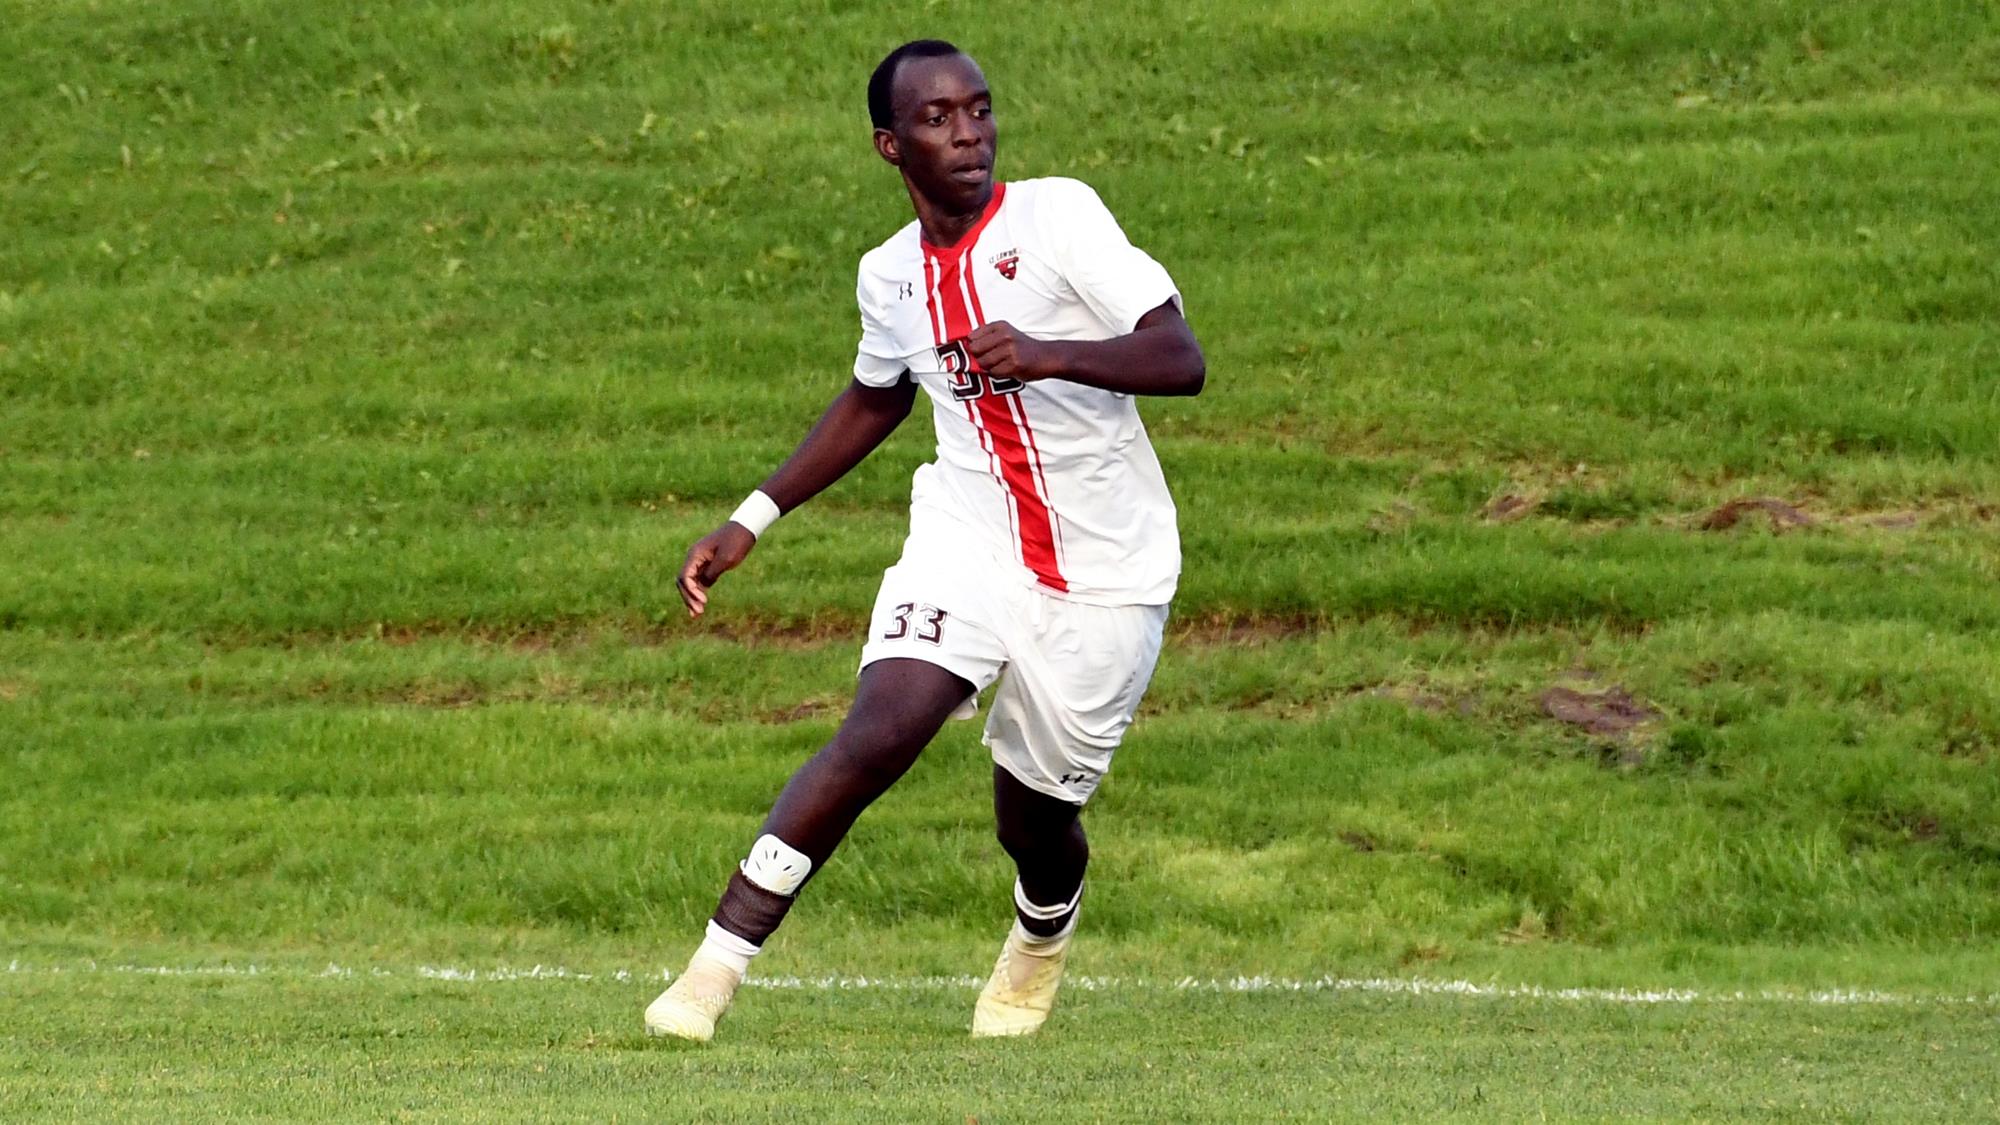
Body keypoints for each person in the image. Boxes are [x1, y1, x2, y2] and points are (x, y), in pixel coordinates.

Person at [645, 38, 1205, 1042]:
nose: (969, 134)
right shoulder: (889, 275)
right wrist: (750, 517)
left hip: (1105, 571)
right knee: (881, 729)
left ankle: (1039, 936)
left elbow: (1178, 357)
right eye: (938, 118)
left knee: (1030, 824)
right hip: (967, 535)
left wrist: (1045, 353)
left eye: (979, 111)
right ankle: (710, 972)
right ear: (888, 145)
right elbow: (873, 398)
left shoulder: (1056, 216)